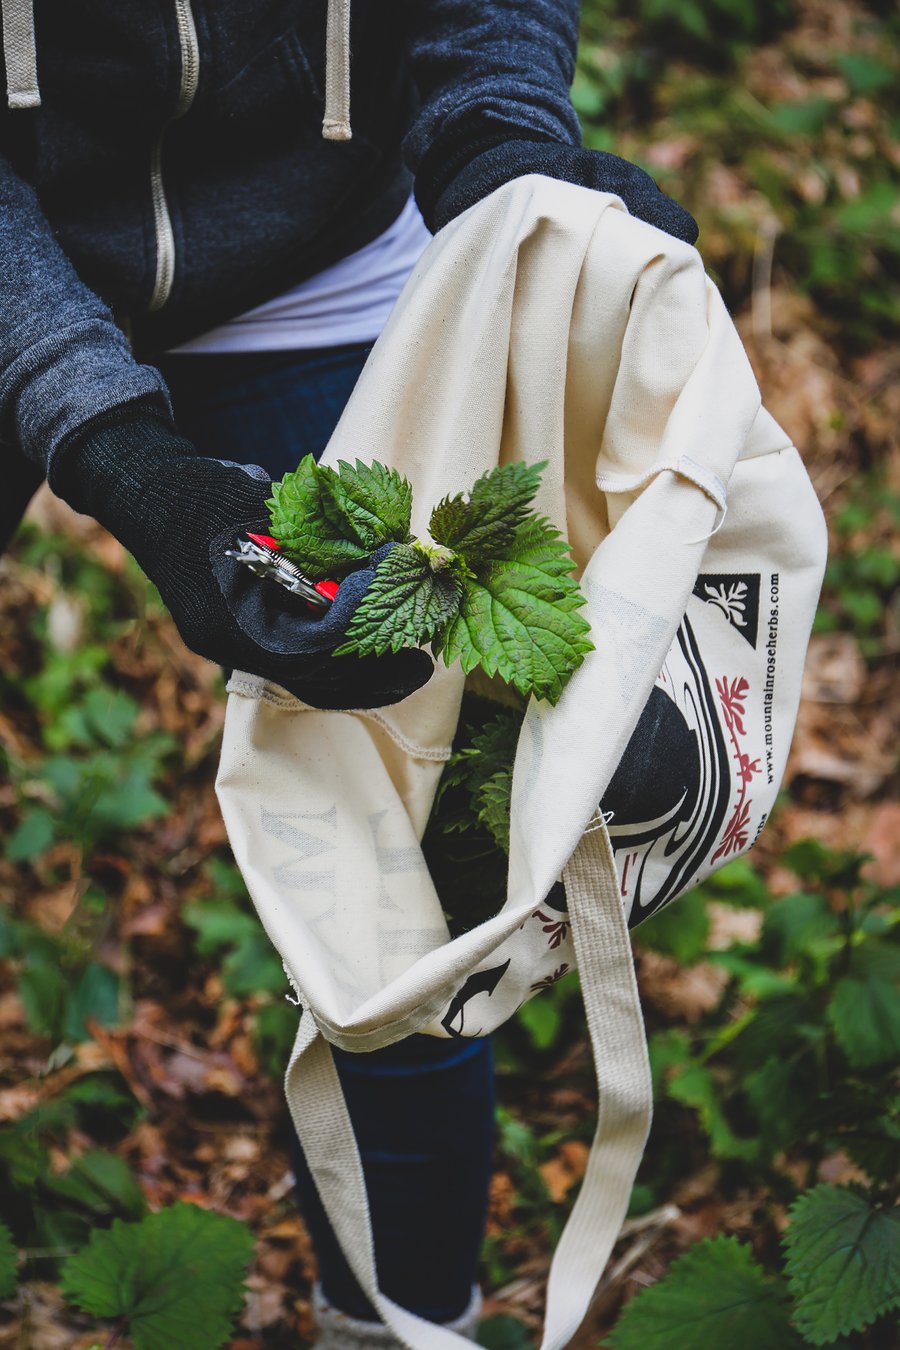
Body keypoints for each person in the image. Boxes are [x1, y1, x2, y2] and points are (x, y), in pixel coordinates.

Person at [0, 3, 696, 1343]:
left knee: (412, 856)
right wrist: (129, 461)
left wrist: (506, 165)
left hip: (310, 246)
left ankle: (398, 1320)